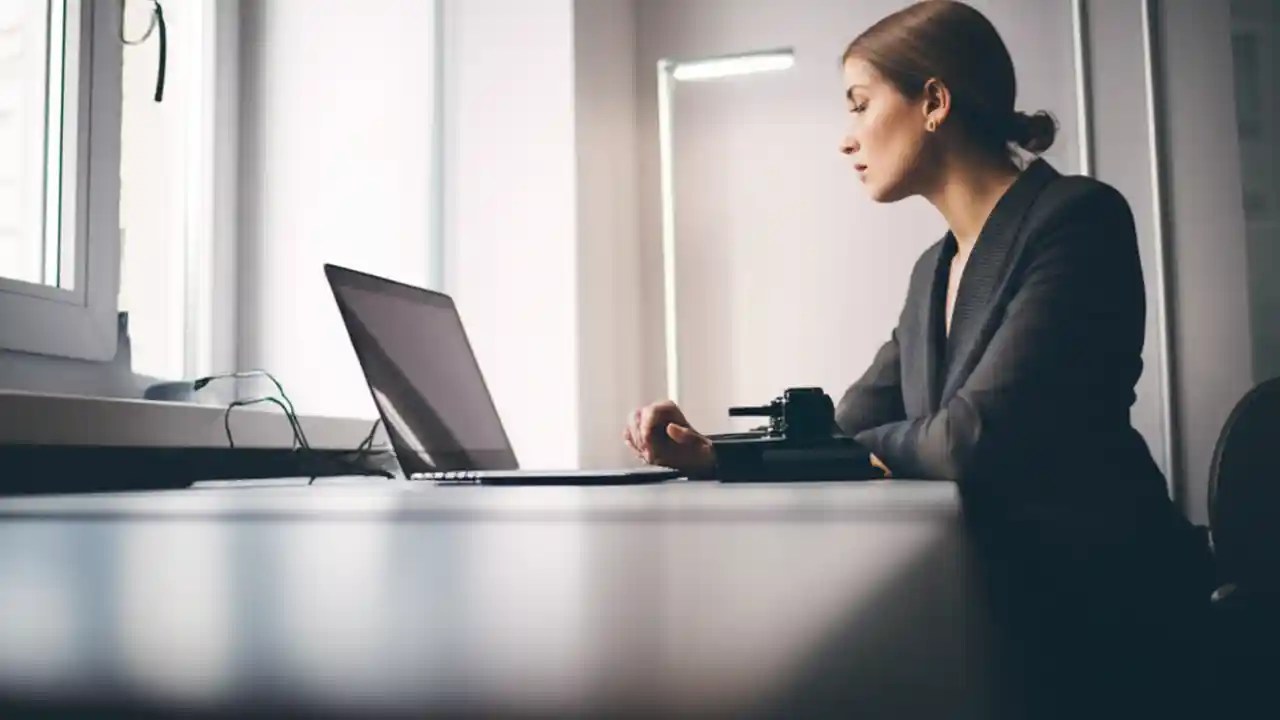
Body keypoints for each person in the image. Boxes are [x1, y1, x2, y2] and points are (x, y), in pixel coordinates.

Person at [623, 1, 1213, 717]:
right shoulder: (932, 272)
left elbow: (971, 440)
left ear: (934, 101)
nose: (846, 140)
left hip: (1111, 615)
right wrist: (712, 452)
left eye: (860, 104)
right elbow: (842, 429)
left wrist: (868, 451)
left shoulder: (1078, 220)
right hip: (1002, 611)